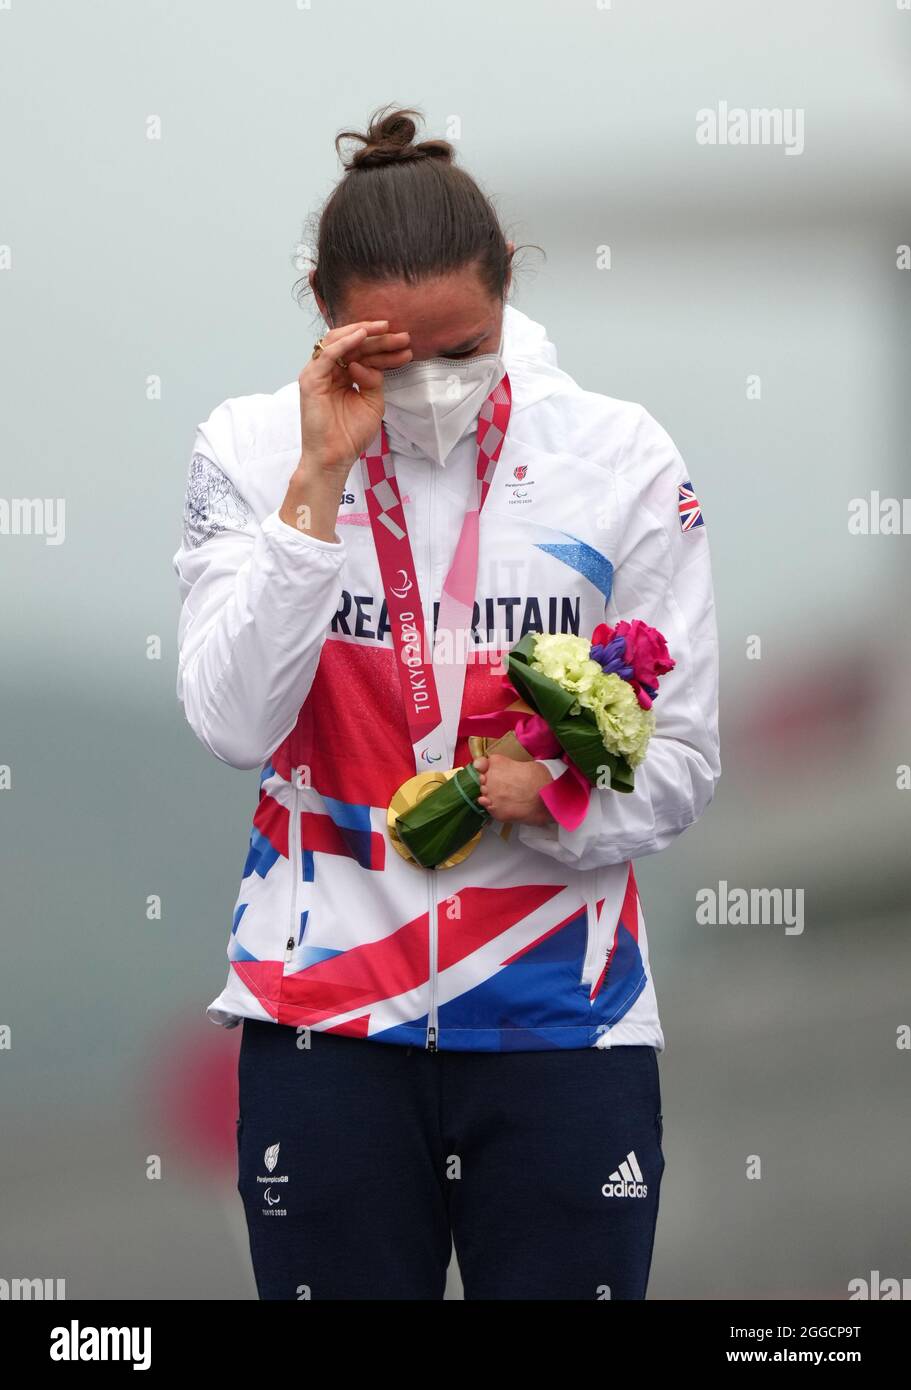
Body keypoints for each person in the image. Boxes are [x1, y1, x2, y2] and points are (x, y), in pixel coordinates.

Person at [172, 104, 721, 1301]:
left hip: (560, 1024)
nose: (427, 387)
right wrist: (317, 481)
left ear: (509, 288)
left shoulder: (622, 459)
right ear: (322, 313)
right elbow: (229, 721)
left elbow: (679, 761)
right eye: (387, 356)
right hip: (325, 1020)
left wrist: (553, 795)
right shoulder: (251, 447)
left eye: (461, 348)